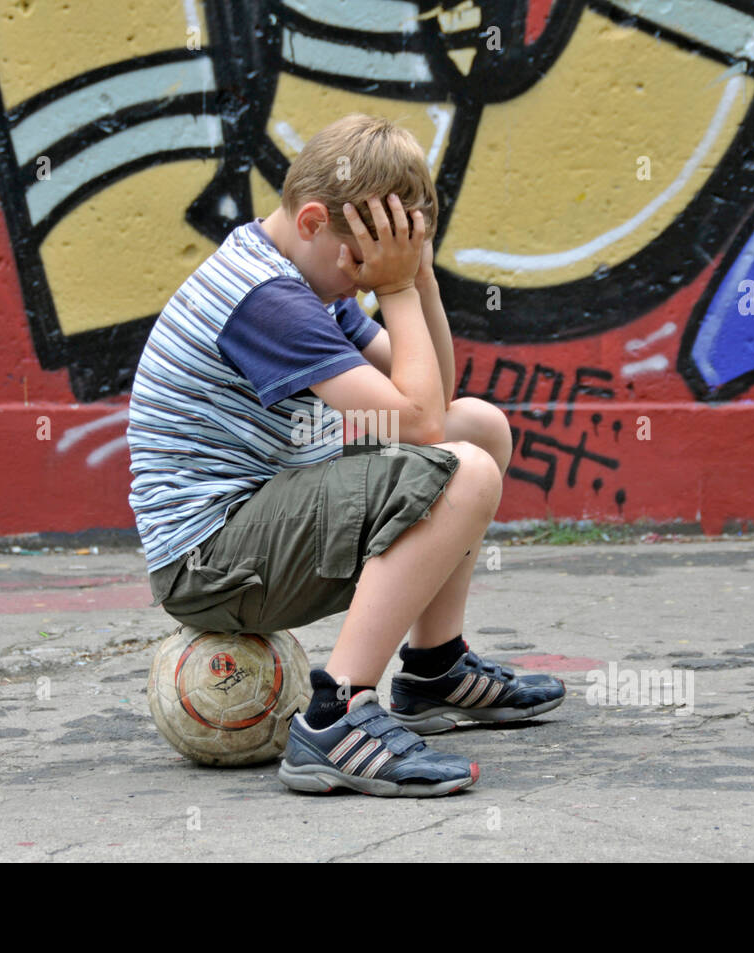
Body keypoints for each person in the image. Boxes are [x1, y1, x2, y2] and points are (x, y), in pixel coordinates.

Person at [128, 114, 564, 797]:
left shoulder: (307, 277)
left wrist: (420, 283)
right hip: (209, 562)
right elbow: (418, 423)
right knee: (462, 469)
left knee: (478, 428)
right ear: (310, 221)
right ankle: (337, 716)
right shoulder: (267, 299)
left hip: (256, 526)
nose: (365, 281)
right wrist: (393, 290)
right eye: (362, 259)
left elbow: (436, 396)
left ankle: (434, 666)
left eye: (390, 258)